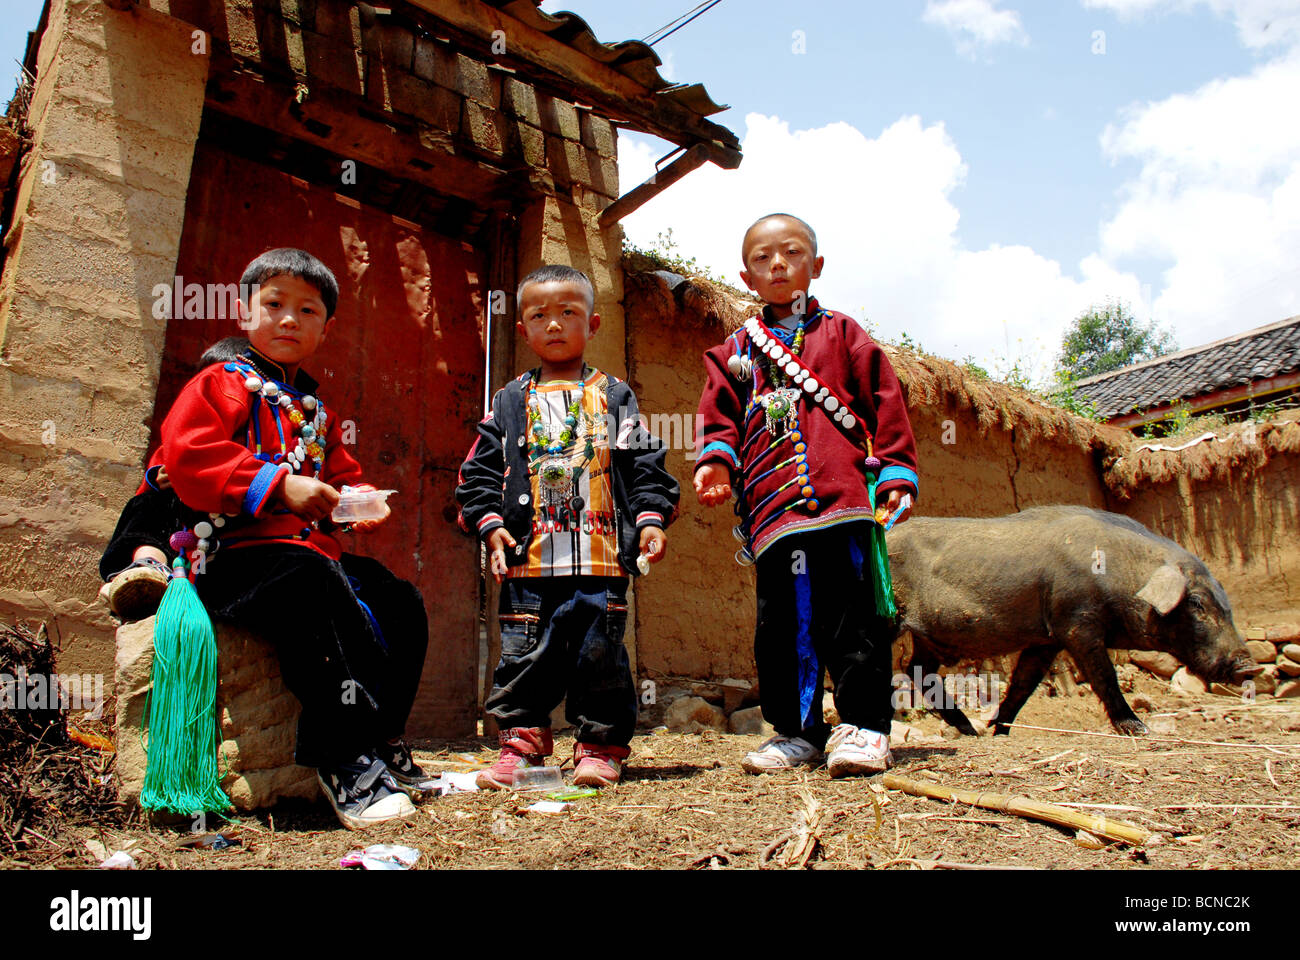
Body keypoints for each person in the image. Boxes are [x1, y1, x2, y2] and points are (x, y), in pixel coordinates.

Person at [142, 248, 430, 828]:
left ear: (325, 328)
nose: (290, 319)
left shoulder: (315, 411)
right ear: (245, 311)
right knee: (309, 580)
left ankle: (383, 736)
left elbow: (340, 476)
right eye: (273, 304)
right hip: (235, 557)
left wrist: (355, 507)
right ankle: (343, 756)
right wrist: (277, 484)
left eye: (308, 310)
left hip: (306, 554)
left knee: (399, 598)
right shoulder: (221, 382)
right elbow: (189, 455)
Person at [693, 214, 919, 778]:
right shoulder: (733, 353)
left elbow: (885, 403)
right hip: (775, 520)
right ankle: (796, 733)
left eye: (791, 253)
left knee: (853, 622)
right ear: (746, 277)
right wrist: (716, 462)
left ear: (815, 267)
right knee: (781, 629)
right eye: (763, 258)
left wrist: (895, 471)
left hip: (843, 510)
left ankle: (864, 729)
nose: (777, 265)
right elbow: (717, 418)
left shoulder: (843, 335)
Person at [456, 264, 679, 789]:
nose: (554, 325)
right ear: (522, 330)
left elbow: (645, 464)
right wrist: (491, 528)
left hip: (599, 559)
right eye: (540, 315)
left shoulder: (613, 396)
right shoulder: (510, 403)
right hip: (528, 561)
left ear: (593, 324)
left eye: (568, 313)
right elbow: (477, 473)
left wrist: (649, 520)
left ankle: (600, 745)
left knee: (598, 654)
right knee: (523, 654)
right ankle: (522, 743)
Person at [99, 338, 250, 622]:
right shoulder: (181, 443)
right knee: (150, 503)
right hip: (178, 542)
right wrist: (158, 481)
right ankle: (148, 567)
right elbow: (144, 496)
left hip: (227, 544)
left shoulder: (262, 445)